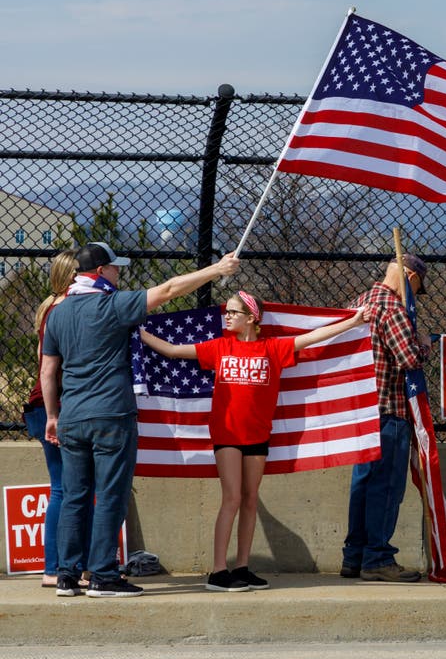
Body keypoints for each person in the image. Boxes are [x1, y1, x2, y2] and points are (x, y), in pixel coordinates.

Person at [41, 242, 240, 598]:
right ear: (101, 271)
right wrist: (216, 270)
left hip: (72, 415)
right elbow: (168, 289)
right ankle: (103, 574)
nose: (120, 272)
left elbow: (48, 369)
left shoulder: (58, 312)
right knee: (111, 495)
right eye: (115, 267)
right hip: (112, 414)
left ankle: (66, 576)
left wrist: (53, 415)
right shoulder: (113, 304)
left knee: (74, 496)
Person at [140, 291, 364, 592]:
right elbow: (173, 350)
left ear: (251, 318)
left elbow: (313, 338)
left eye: (233, 312)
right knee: (231, 498)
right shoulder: (220, 346)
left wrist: (352, 322)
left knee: (248, 499)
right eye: (227, 312)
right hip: (227, 434)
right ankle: (218, 571)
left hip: (258, 436)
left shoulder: (272, 348)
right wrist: (137, 330)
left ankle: (242, 566)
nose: (227, 316)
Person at [341, 255, 431, 584]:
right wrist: (423, 346)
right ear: (409, 276)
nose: (415, 295)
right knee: (387, 485)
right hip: (389, 408)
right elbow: (407, 359)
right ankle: (377, 556)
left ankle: (355, 554)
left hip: (361, 408)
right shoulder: (392, 308)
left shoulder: (360, 302)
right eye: (417, 286)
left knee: (362, 483)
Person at [23, 250, 80, 588]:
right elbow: (51, 371)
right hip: (52, 407)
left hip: (51, 405)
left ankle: (59, 566)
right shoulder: (61, 310)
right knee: (64, 488)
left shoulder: (52, 308)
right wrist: (54, 414)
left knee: (66, 487)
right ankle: (55, 566)